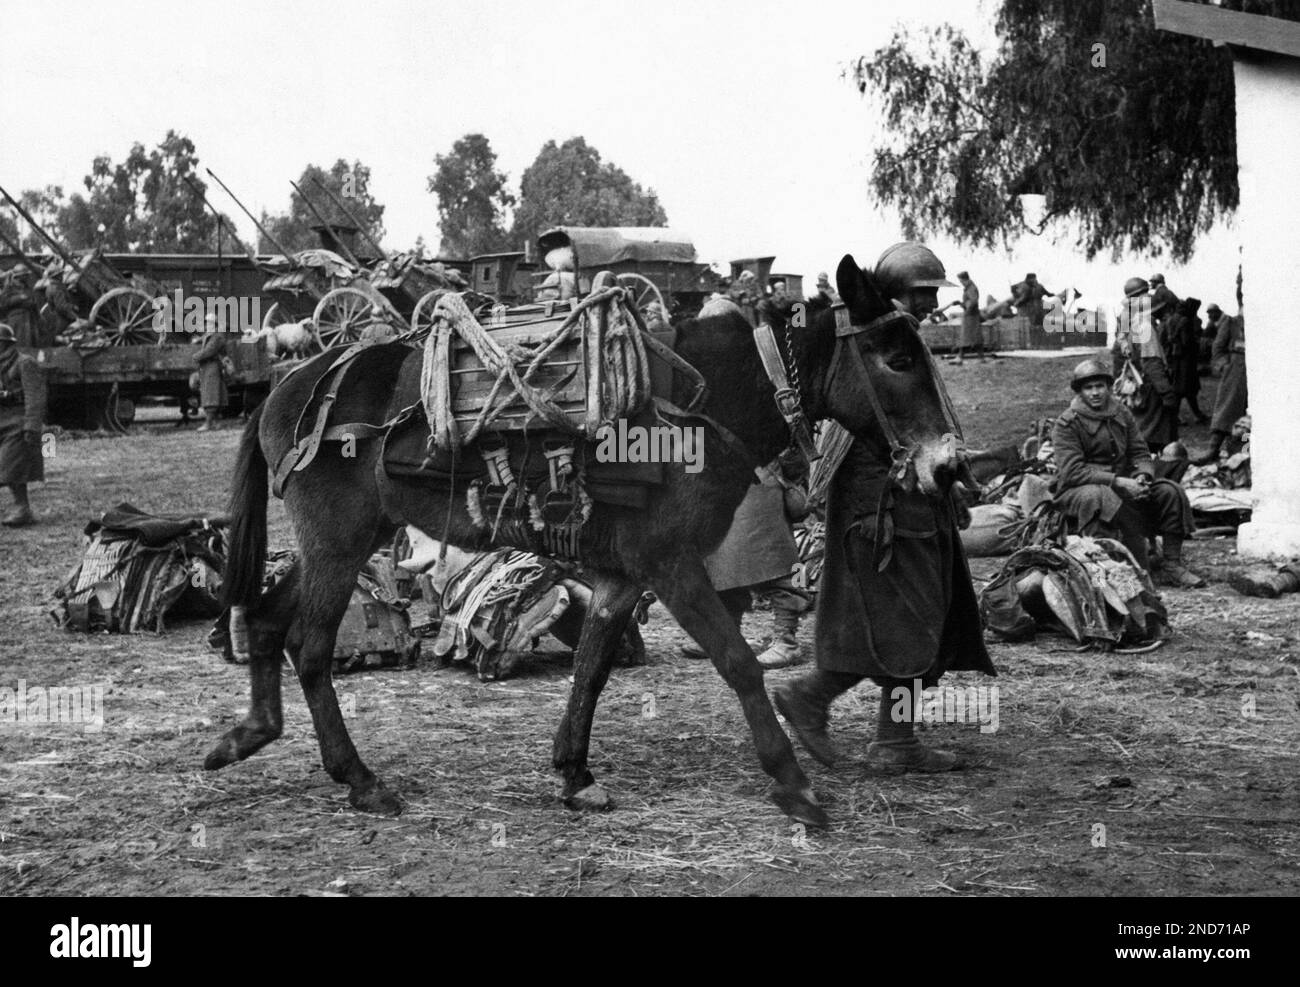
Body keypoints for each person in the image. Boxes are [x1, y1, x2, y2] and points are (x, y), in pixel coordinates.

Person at [771, 243, 995, 774]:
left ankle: (895, 740)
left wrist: (949, 478)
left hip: (916, 509)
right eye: (917, 294)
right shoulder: (867, 351)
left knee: (921, 621)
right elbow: (868, 439)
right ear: (889, 295)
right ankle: (814, 699)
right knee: (897, 623)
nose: (924, 305)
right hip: (882, 513)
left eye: (929, 296)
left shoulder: (903, 341)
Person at [1051, 358, 1205, 589]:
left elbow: (1140, 452)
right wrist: (1118, 481)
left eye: (1099, 386)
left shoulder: (1121, 413)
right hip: (1077, 491)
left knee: (1169, 491)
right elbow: (1073, 472)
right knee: (1099, 496)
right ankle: (1110, 568)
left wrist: (1143, 476)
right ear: (1080, 391)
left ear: (1109, 387)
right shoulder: (1067, 424)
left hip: (1123, 483)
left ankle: (1171, 564)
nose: (1095, 393)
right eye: (1088, 388)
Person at [681, 452, 812, 669]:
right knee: (723, 564)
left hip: (762, 478)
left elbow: (793, 449)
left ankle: (787, 641)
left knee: (774, 564)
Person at [1115, 276, 1179, 450]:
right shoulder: (1145, 327)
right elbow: (1152, 363)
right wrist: (1167, 393)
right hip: (1152, 388)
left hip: (1139, 385)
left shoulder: (1131, 323)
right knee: (1156, 435)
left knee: (1141, 430)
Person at [0, 322, 47, 526]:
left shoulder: (24, 363)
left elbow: (35, 397)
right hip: (2, 419)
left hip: (19, 421)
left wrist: (32, 426)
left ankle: (22, 508)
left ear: (4, 344)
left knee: (11, 464)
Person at [1195, 305, 1247, 464]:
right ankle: (1213, 448)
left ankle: (1243, 449)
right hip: (1237, 367)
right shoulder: (1232, 321)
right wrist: (1223, 365)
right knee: (1227, 407)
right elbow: (1218, 347)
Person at [1161, 297, 1209, 425]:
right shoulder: (1185, 320)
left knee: (1184, 388)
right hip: (1186, 359)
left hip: (1174, 357)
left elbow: (1165, 338)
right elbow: (1186, 341)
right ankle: (1175, 416)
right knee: (1184, 388)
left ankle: (1196, 414)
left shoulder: (1170, 319)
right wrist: (1199, 344)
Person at [194, 312, 228, 432]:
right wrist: (196, 340)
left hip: (212, 368)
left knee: (211, 395)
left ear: (214, 324)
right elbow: (203, 340)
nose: (207, 325)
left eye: (210, 323)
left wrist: (196, 357)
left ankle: (208, 424)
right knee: (211, 394)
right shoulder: (209, 335)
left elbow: (210, 351)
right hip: (208, 368)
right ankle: (215, 423)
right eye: (206, 323)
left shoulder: (217, 337)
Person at [954, 270, 984, 364]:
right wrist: (961, 303)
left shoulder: (971, 288)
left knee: (969, 336)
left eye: (961, 281)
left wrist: (967, 310)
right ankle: (979, 357)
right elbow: (970, 302)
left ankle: (960, 357)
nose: (961, 283)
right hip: (971, 314)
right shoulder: (970, 287)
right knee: (971, 336)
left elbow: (973, 301)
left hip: (971, 315)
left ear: (965, 279)